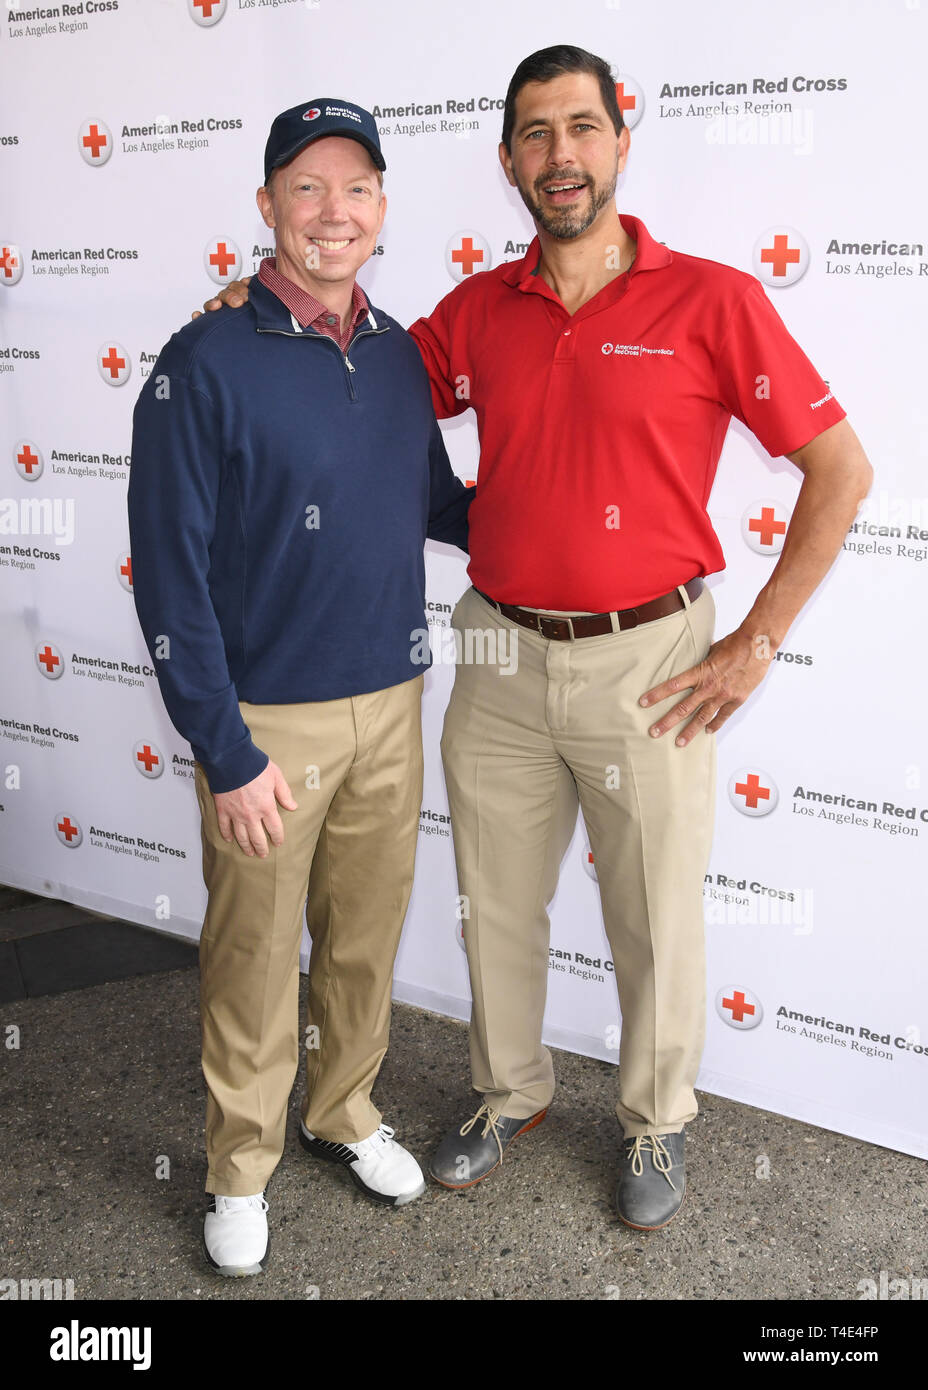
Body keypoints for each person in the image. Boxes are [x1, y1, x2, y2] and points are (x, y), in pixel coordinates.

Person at [200, 47, 872, 1232]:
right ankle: (508, 1094)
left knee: (654, 910)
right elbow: (332, 364)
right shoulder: (471, 313)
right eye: (534, 135)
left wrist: (756, 642)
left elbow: (840, 469)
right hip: (499, 652)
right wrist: (245, 314)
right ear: (508, 160)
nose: (559, 155)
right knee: (493, 900)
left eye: (580, 128)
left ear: (620, 139)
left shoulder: (712, 298)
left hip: (653, 659)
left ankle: (657, 1119)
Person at [128, 98, 472, 1277]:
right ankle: (236, 1166)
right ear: (267, 206)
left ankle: (342, 1111)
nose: (335, 211)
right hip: (268, 721)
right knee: (253, 954)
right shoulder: (202, 360)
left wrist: (577, 517)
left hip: (393, 703)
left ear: (383, 209)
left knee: (363, 943)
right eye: (308, 188)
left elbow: (434, 504)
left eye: (357, 188)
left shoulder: (394, 352)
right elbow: (171, 578)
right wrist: (224, 750)